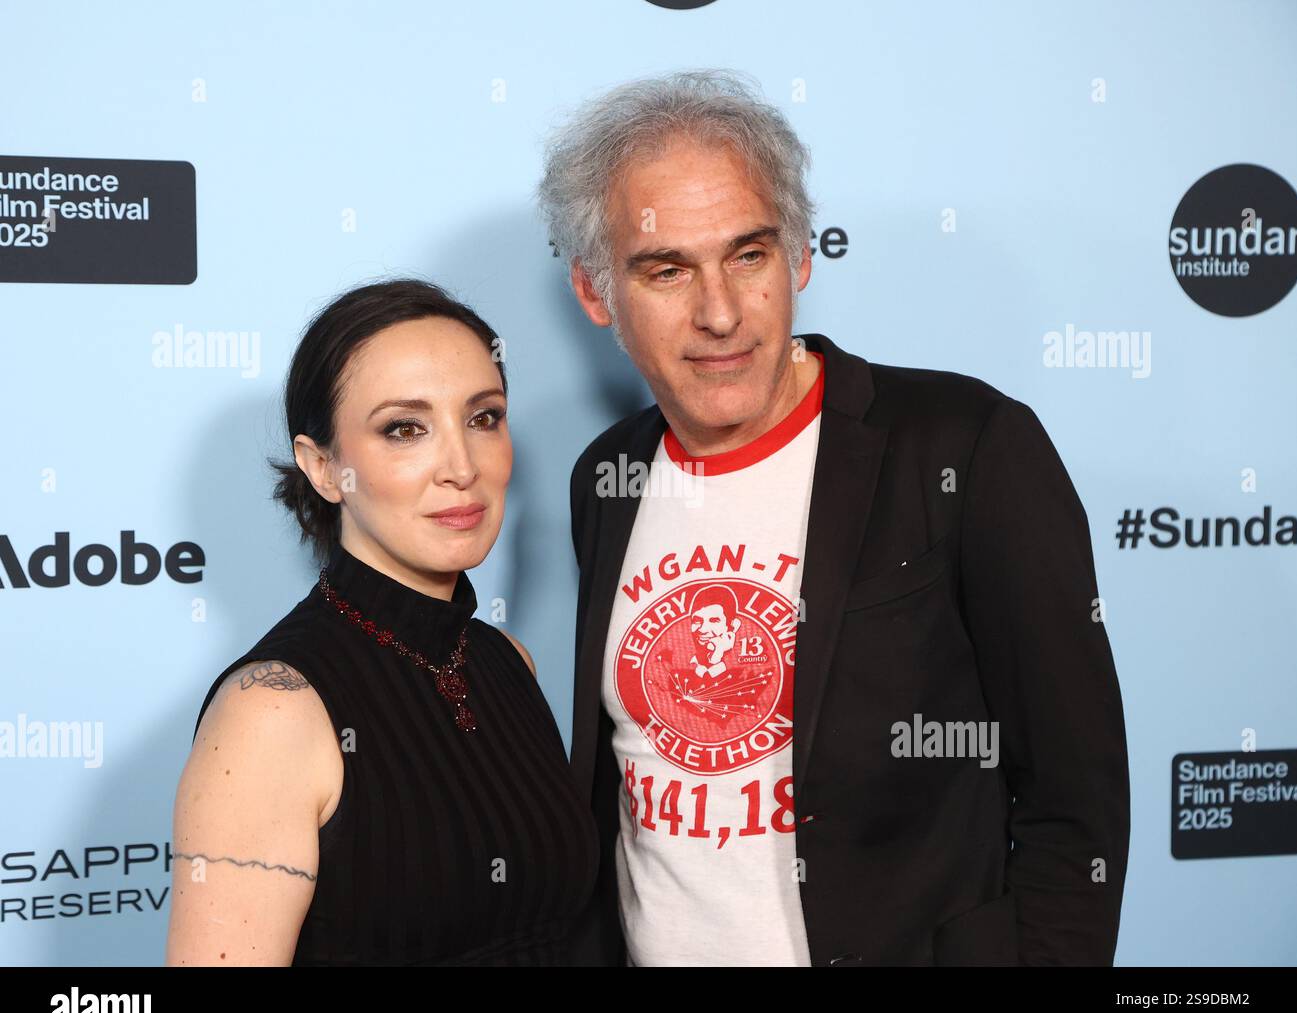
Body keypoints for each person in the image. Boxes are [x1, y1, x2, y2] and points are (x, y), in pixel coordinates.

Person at [538, 69, 1130, 966]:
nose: (722, 312)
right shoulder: (607, 475)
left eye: (750, 254)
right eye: (667, 270)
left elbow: (1074, 800)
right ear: (595, 294)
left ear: (801, 255)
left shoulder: (964, 449)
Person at [165, 279, 598, 966]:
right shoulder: (272, 710)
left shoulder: (505, 663)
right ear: (324, 467)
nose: (461, 467)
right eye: (405, 428)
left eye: (484, 417)